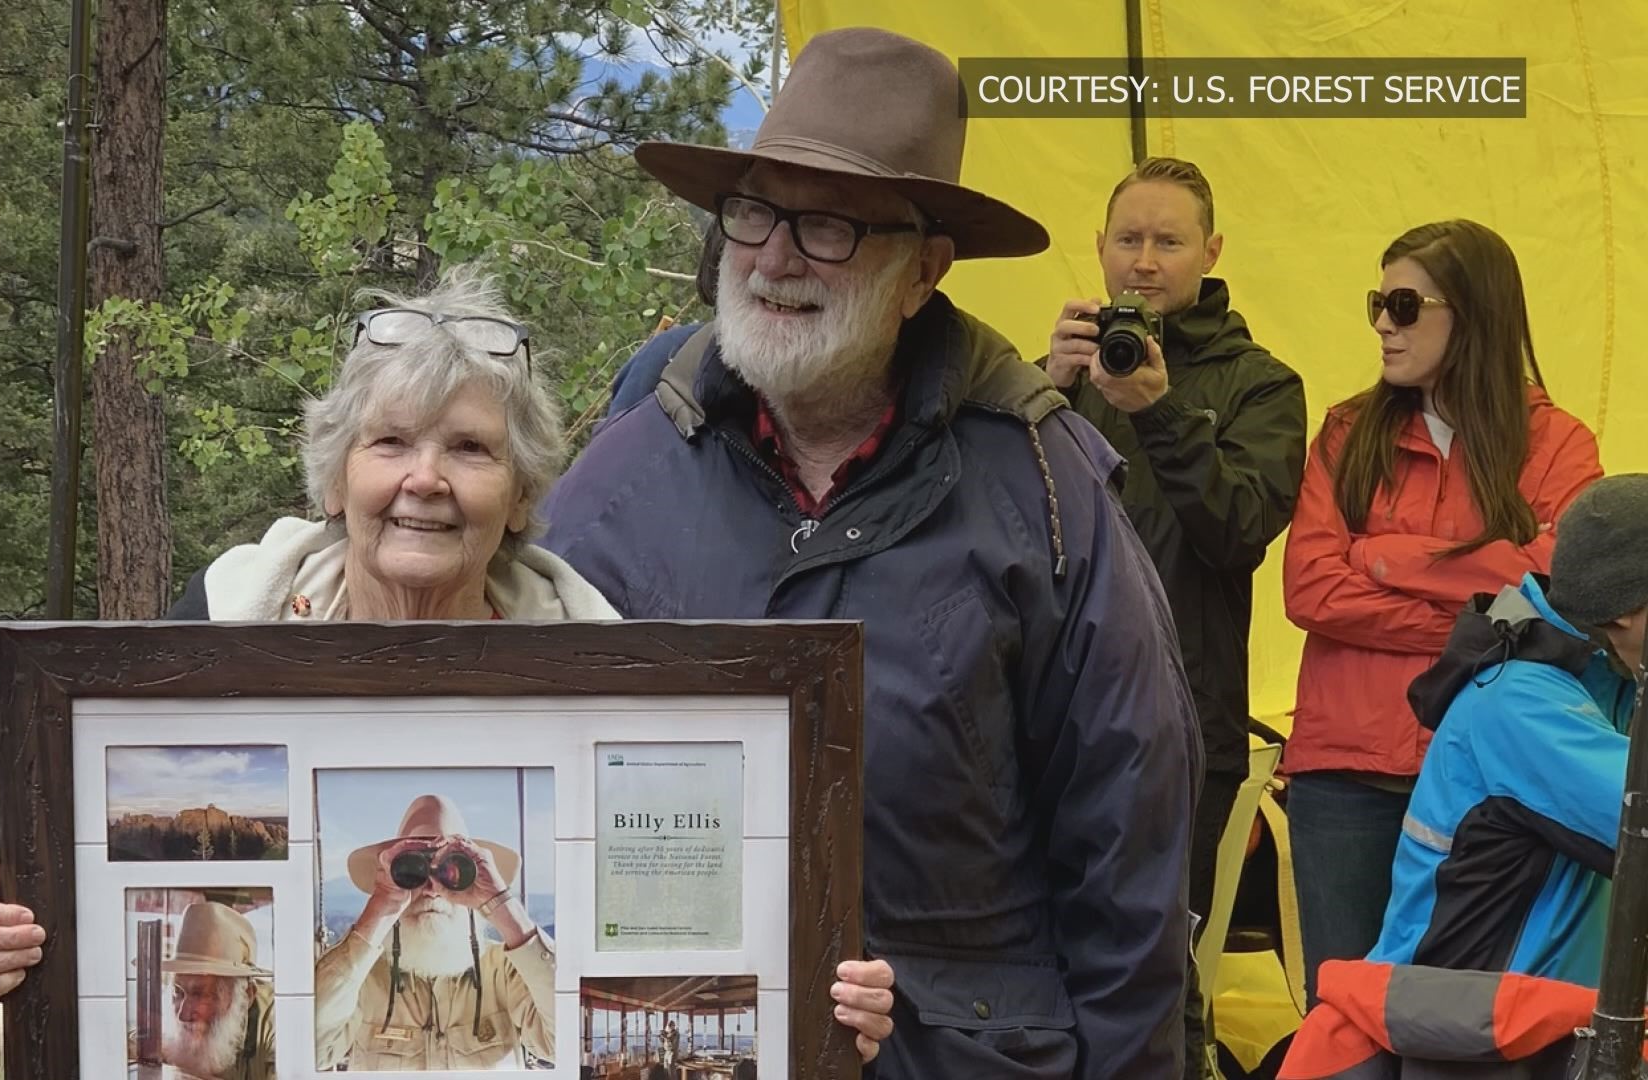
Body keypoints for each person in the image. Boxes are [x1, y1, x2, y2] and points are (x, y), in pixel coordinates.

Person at [0, 268, 898, 1059]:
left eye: (471, 450)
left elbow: (609, 1026)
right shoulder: (220, 625)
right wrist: (22, 922)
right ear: (335, 475)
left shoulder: (617, 681)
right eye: (391, 441)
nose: (425, 480)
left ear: (522, 497)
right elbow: (282, 1041)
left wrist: (809, 1007)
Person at [542, 26, 1200, 1079]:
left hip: (967, 1053)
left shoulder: (1045, 485)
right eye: (755, 211)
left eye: (832, 226)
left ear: (922, 271)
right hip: (678, 1041)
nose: (776, 256)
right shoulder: (626, 471)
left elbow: (1130, 834)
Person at [1281, 219, 1603, 1004]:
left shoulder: (1559, 445)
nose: (1384, 325)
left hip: (1482, 775)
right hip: (1344, 769)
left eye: (1403, 304)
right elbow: (1309, 589)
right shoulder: (1348, 431)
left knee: (1463, 1015)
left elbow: (1555, 597)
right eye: (1377, 303)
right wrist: (1475, 621)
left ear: (1473, 312)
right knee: (1345, 1014)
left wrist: (1384, 556)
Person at [1042, 155, 1306, 1077]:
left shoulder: (1262, 386)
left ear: (1211, 252)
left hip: (1182, 718)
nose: (1144, 262)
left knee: (1159, 959)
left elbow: (1238, 530)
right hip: (1052, 709)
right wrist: (1037, 393)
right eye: (1128, 239)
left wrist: (1160, 412)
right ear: (1100, 248)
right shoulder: (1056, 377)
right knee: (1040, 940)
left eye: (1168, 240)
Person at [1366, 474, 1645, 987]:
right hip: (1466, 1030)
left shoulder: (1613, 676)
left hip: (1538, 1021)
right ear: (1626, 613)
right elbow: (1637, 817)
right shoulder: (1519, 702)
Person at [314, 793, 551, 1069]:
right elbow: (311, 1048)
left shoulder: (505, 970)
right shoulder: (364, 977)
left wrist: (500, 903)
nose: (432, 890)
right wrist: (380, 907)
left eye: (452, 872)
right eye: (413, 871)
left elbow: (560, 1042)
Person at [158, 900, 276, 1080]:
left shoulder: (279, 1023)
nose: (183, 1014)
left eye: (200, 994)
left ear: (245, 996)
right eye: (177, 992)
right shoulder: (174, 1032)